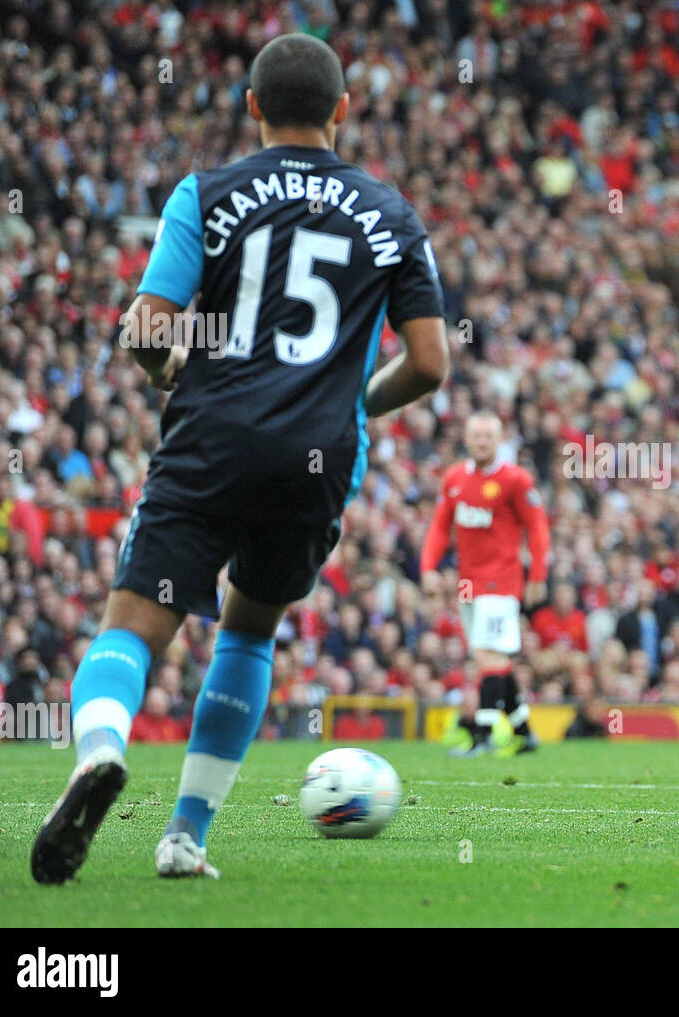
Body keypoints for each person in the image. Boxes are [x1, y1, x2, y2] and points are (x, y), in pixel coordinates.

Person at [30, 34, 448, 884]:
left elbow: (147, 326)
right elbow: (432, 363)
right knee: (250, 628)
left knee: (135, 626)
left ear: (251, 105)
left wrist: (166, 368)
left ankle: (99, 752)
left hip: (210, 438)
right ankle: (185, 835)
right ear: (342, 109)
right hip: (317, 457)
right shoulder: (394, 214)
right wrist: (345, 403)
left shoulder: (207, 192)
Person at [420, 412, 550, 756]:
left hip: (501, 581)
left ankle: (484, 733)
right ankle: (523, 731)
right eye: (476, 435)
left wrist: (537, 574)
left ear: (500, 439)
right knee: (492, 660)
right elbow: (438, 527)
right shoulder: (454, 479)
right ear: (466, 438)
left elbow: (537, 528)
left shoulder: (515, 479)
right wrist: (428, 568)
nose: (481, 441)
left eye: (488, 436)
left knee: (486, 655)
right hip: (468, 585)